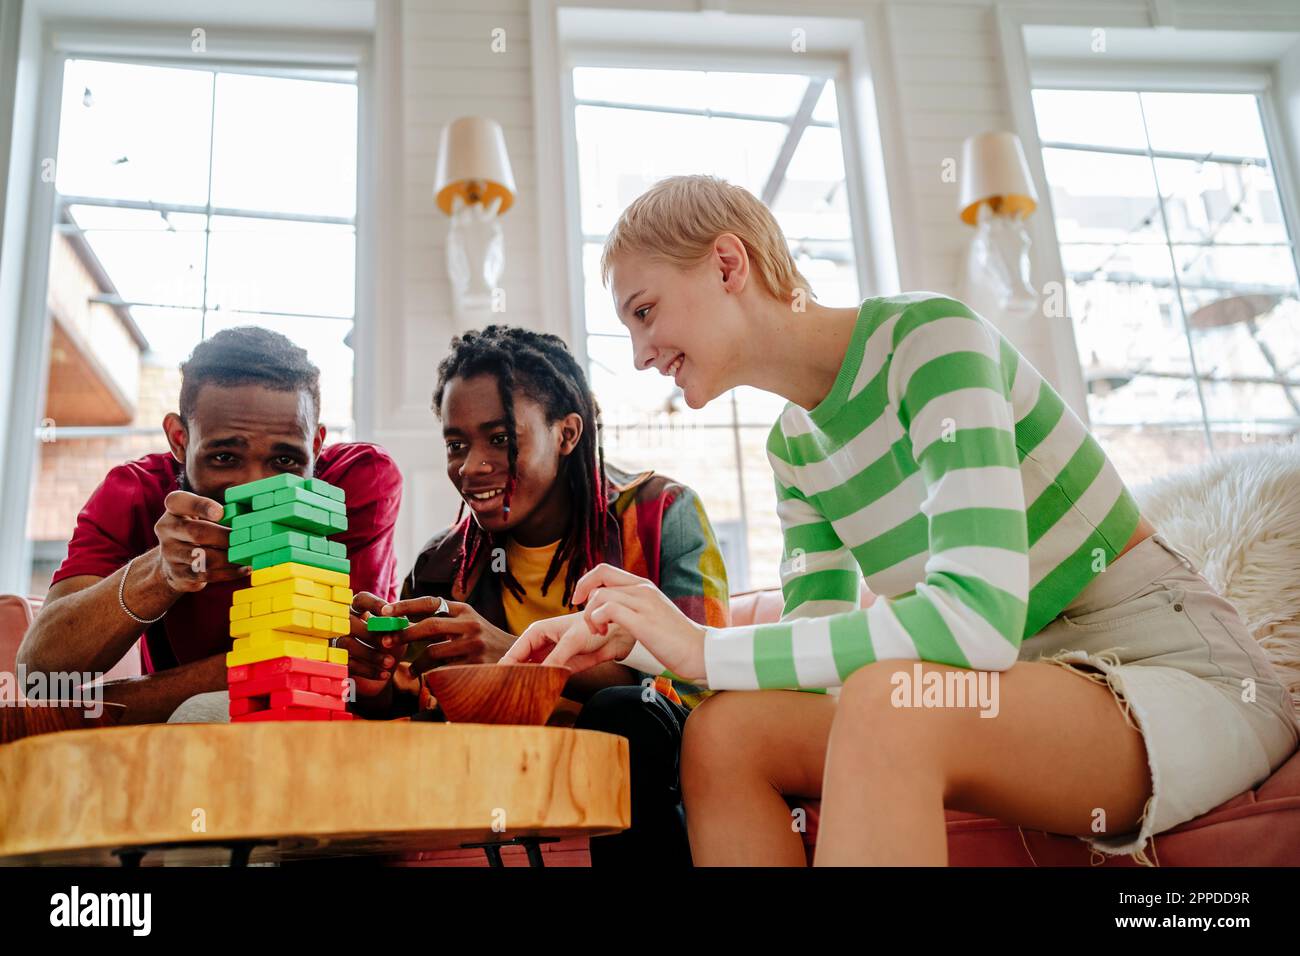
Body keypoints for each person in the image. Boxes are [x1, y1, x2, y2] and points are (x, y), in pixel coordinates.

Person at [504, 174, 1300, 865]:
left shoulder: (929, 341)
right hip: (1021, 690)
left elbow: (977, 622)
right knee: (728, 732)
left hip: (1168, 675)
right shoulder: (795, 448)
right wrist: (643, 645)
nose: (640, 353)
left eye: (644, 311)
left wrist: (705, 644)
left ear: (725, 264)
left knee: (894, 701)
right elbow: (811, 656)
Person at [344, 325, 729, 867]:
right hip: (502, 765)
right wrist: (376, 681)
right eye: (457, 444)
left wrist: (510, 655)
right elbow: (411, 706)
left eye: (499, 438)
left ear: (567, 433)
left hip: (648, 752)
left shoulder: (661, 514)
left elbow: (697, 682)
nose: (472, 466)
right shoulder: (441, 563)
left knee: (625, 709)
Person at [18, 326, 402, 725]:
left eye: (285, 461)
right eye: (224, 457)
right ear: (179, 439)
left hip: (300, 730)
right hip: (178, 743)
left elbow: (323, 669)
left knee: (201, 713)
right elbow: (38, 673)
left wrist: (90, 711)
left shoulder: (356, 482)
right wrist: (159, 575)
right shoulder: (134, 494)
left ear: (316, 446)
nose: (254, 486)